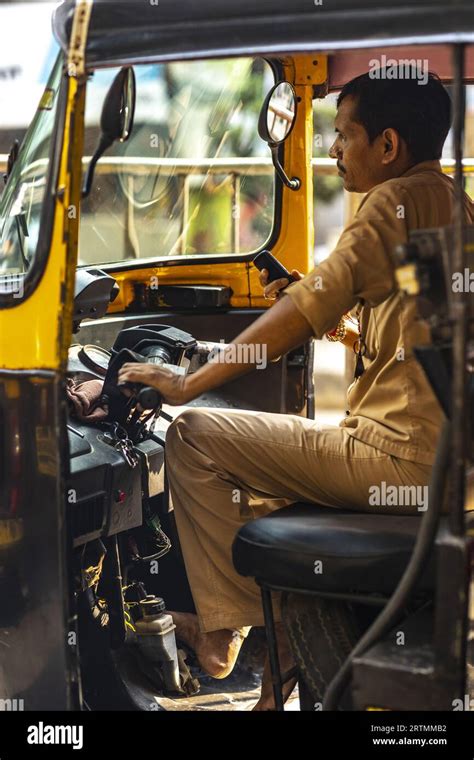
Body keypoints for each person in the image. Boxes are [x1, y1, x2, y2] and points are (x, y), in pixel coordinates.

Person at [118, 67, 474, 709]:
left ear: (387, 145)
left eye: (343, 136)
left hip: (396, 460)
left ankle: (230, 628)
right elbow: (407, 328)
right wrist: (342, 326)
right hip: (444, 469)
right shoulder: (453, 204)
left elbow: (314, 298)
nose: (333, 151)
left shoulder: (390, 201)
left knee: (196, 435)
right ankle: (284, 657)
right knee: (264, 471)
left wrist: (188, 380)